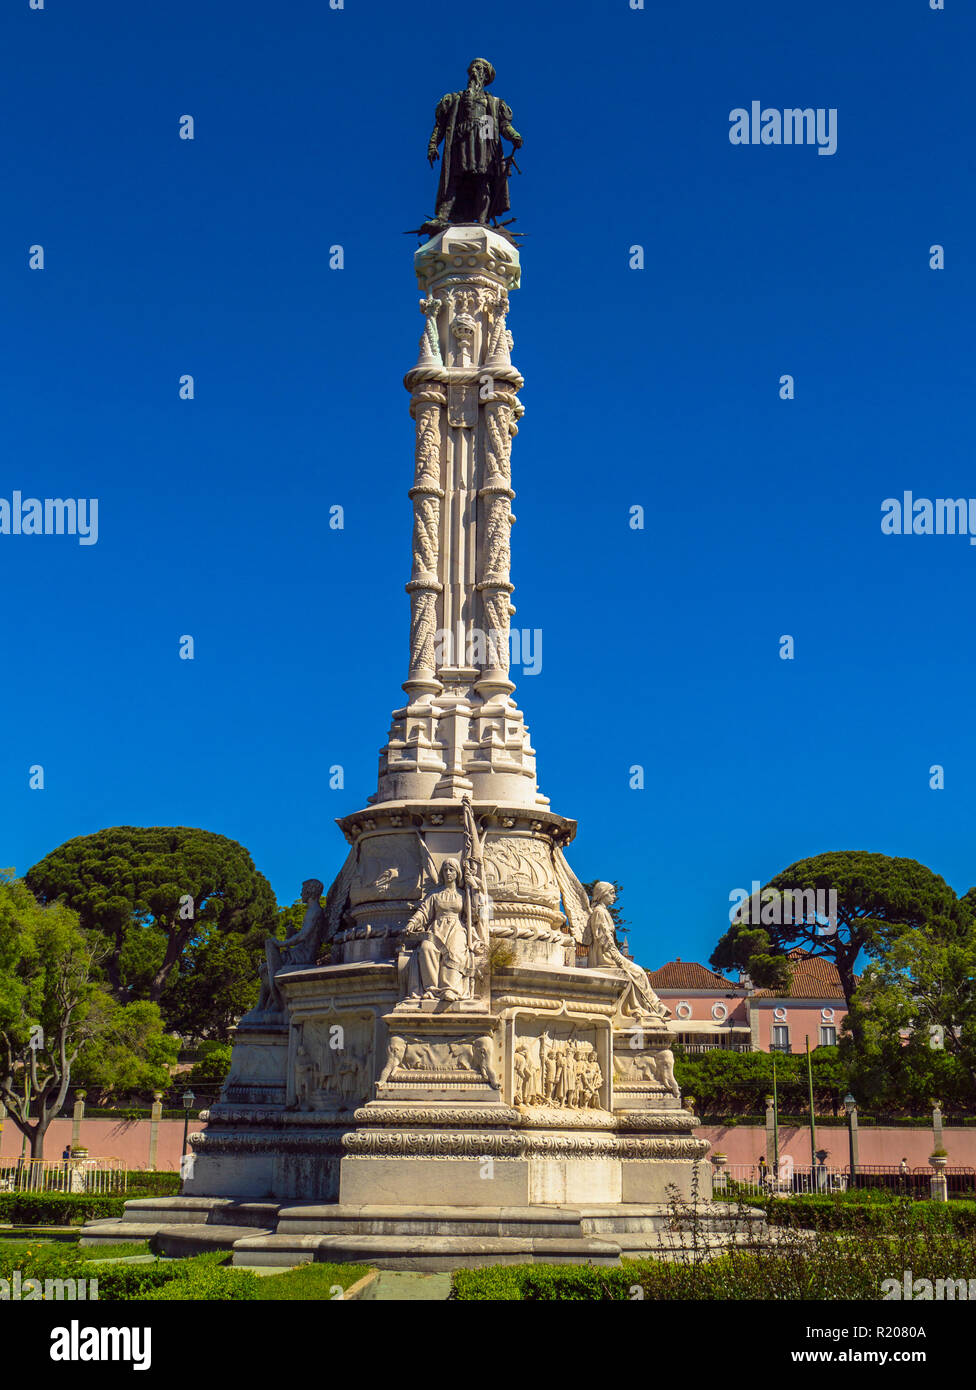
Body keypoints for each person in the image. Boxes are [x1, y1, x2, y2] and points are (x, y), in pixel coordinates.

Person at [423, 58, 523, 231]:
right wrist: (433, 145)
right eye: (472, 68)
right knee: (455, 178)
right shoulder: (456, 98)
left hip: (485, 138)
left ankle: (483, 222)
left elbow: (504, 126)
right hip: (461, 140)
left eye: (478, 68)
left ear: (485, 75)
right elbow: (440, 126)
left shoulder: (494, 102)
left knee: (483, 180)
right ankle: (443, 216)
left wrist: (514, 135)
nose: (473, 71)